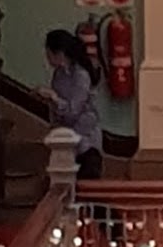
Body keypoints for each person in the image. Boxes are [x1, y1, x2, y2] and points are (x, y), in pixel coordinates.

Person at [37, 29, 104, 180]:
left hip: (85, 141)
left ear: (59, 54)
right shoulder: (58, 75)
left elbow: (73, 111)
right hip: (65, 141)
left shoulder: (81, 76)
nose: (47, 58)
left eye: (49, 54)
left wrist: (54, 98)